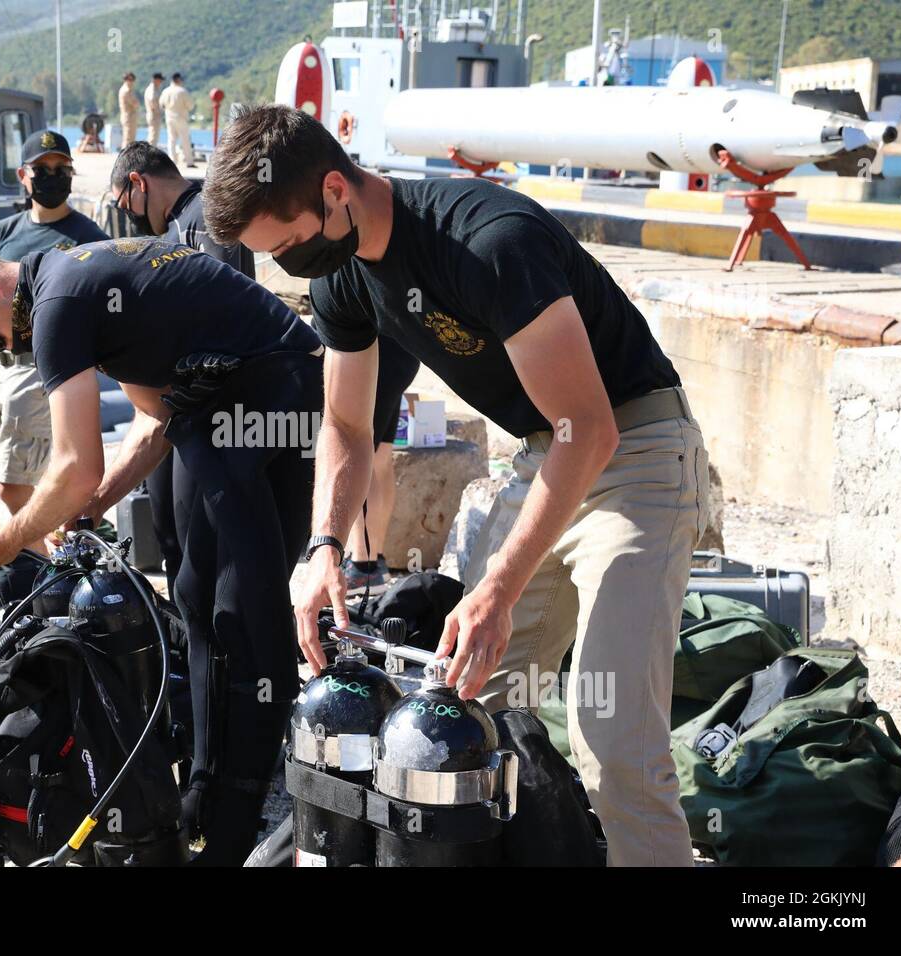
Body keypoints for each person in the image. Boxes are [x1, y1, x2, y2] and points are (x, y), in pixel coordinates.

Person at [204, 105, 710, 867]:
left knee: (614, 739)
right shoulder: (345, 269)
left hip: (634, 449)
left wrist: (498, 588)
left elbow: (591, 427)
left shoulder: (485, 241)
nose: (286, 267)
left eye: (285, 247)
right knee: (459, 717)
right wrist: (322, 547)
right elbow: (344, 425)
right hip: (549, 452)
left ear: (335, 190)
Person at [0, 239, 322, 865]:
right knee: (194, 597)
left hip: (274, 387)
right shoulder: (83, 285)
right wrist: (97, 501)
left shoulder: (57, 301)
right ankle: (201, 787)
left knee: (248, 617)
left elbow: (72, 464)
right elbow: (152, 418)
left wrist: (7, 539)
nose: (9, 352)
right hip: (224, 397)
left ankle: (234, 828)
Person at [108, 141, 259, 592]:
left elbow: (228, 308)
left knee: (199, 545)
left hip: (209, 411)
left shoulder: (206, 217)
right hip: (175, 406)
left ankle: (213, 653)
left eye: (123, 204)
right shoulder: (173, 227)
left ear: (139, 183)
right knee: (169, 534)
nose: (127, 215)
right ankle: (184, 646)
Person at [0, 130, 107, 534]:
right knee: (14, 478)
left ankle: (40, 555)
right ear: (23, 175)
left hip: (45, 368)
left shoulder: (89, 236)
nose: (52, 176)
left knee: (13, 485)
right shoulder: (0, 234)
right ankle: (59, 557)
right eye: (42, 169)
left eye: (61, 168)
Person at [343, 334, 418, 596]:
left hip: (373, 352)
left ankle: (363, 567)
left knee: (361, 454)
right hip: (397, 351)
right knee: (379, 457)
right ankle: (373, 558)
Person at [159, 73, 196, 168]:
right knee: (185, 140)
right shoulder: (182, 91)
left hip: (169, 117)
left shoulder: (166, 91)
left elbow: (161, 104)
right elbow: (190, 105)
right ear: (178, 80)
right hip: (181, 117)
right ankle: (189, 161)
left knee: (171, 140)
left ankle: (172, 161)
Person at [117, 72, 141, 149]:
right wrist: (137, 103)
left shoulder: (126, 89)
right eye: (129, 79)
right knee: (128, 139)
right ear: (125, 79)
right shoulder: (126, 90)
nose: (132, 81)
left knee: (129, 138)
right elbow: (135, 103)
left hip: (128, 116)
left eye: (132, 79)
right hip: (129, 116)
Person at [144, 73, 165, 148]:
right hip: (153, 114)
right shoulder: (152, 89)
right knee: (153, 136)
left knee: (154, 135)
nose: (161, 82)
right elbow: (152, 99)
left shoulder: (155, 88)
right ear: (156, 80)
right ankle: (150, 154)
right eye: (160, 80)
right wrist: (156, 108)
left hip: (154, 114)